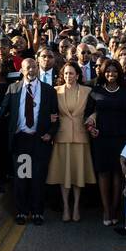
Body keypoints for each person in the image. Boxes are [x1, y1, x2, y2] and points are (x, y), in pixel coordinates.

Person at [0, 56, 58, 225]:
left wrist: (51, 133)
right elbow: (1, 111)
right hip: (21, 140)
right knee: (22, 177)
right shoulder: (14, 89)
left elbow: (56, 116)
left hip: (39, 140)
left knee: (38, 178)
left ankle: (38, 211)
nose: (31, 70)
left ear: (37, 68)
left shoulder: (48, 90)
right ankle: (22, 211)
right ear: (22, 70)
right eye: (27, 68)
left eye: (33, 67)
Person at [45, 60, 96, 222]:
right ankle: (66, 207)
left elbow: (95, 110)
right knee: (64, 175)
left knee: (78, 175)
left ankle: (76, 208)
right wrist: (49, 117)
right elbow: (48, 110)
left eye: (71, 73)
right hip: (62, 137)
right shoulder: (55, 91)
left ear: (78, 75)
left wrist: (93, 119)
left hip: (81, 137)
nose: (68, 76)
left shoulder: (88, 91)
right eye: (65, 73)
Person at [89, 58, 126, 227]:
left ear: (119, 73)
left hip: (121, 139)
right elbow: (89, 116)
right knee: (103, 174)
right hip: (101, 139)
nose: (111, 74)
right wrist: (91, 128)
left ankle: (115, 209)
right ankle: (106, 209)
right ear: (102, 72)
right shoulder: (95, 91)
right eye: (108, 71)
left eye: (115, 71)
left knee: (118, 174)